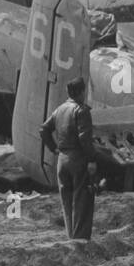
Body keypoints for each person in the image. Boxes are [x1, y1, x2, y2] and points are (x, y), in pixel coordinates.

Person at [39, 77, 97, 241]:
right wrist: (92, 159)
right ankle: (81, 241)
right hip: (78, 160)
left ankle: (71, 237)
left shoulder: (59, 110)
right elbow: (84, 138)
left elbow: (43, 129)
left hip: (62, 160)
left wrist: (54, 148)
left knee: (67, 201)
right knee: (82, 200)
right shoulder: (81, 110)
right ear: (81, 92)